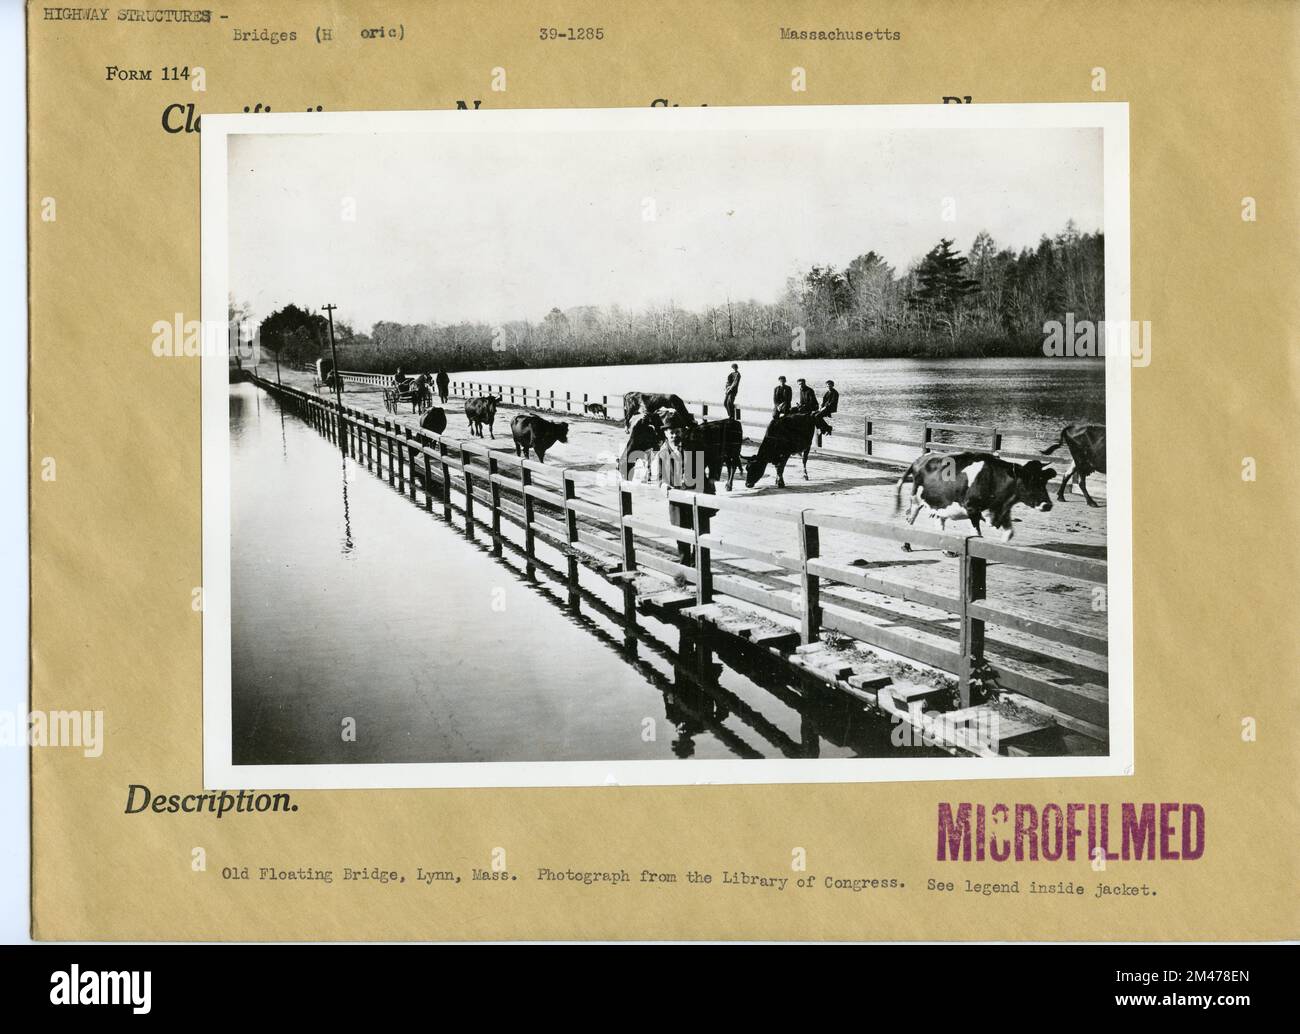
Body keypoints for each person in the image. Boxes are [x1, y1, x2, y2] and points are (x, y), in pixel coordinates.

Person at [817, 379, 839, 447]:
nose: (829, 387)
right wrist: (821, 407)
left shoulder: (835, 393)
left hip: (831, 409)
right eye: (827, 386)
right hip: (825, 408)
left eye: (830, 385)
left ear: (833, 385)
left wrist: (824, 407)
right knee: (814, 415)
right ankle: (824, 428)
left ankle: (826, 428)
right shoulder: (827, 392)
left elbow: (832, 403)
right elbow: (824, 401)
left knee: (817, 416)